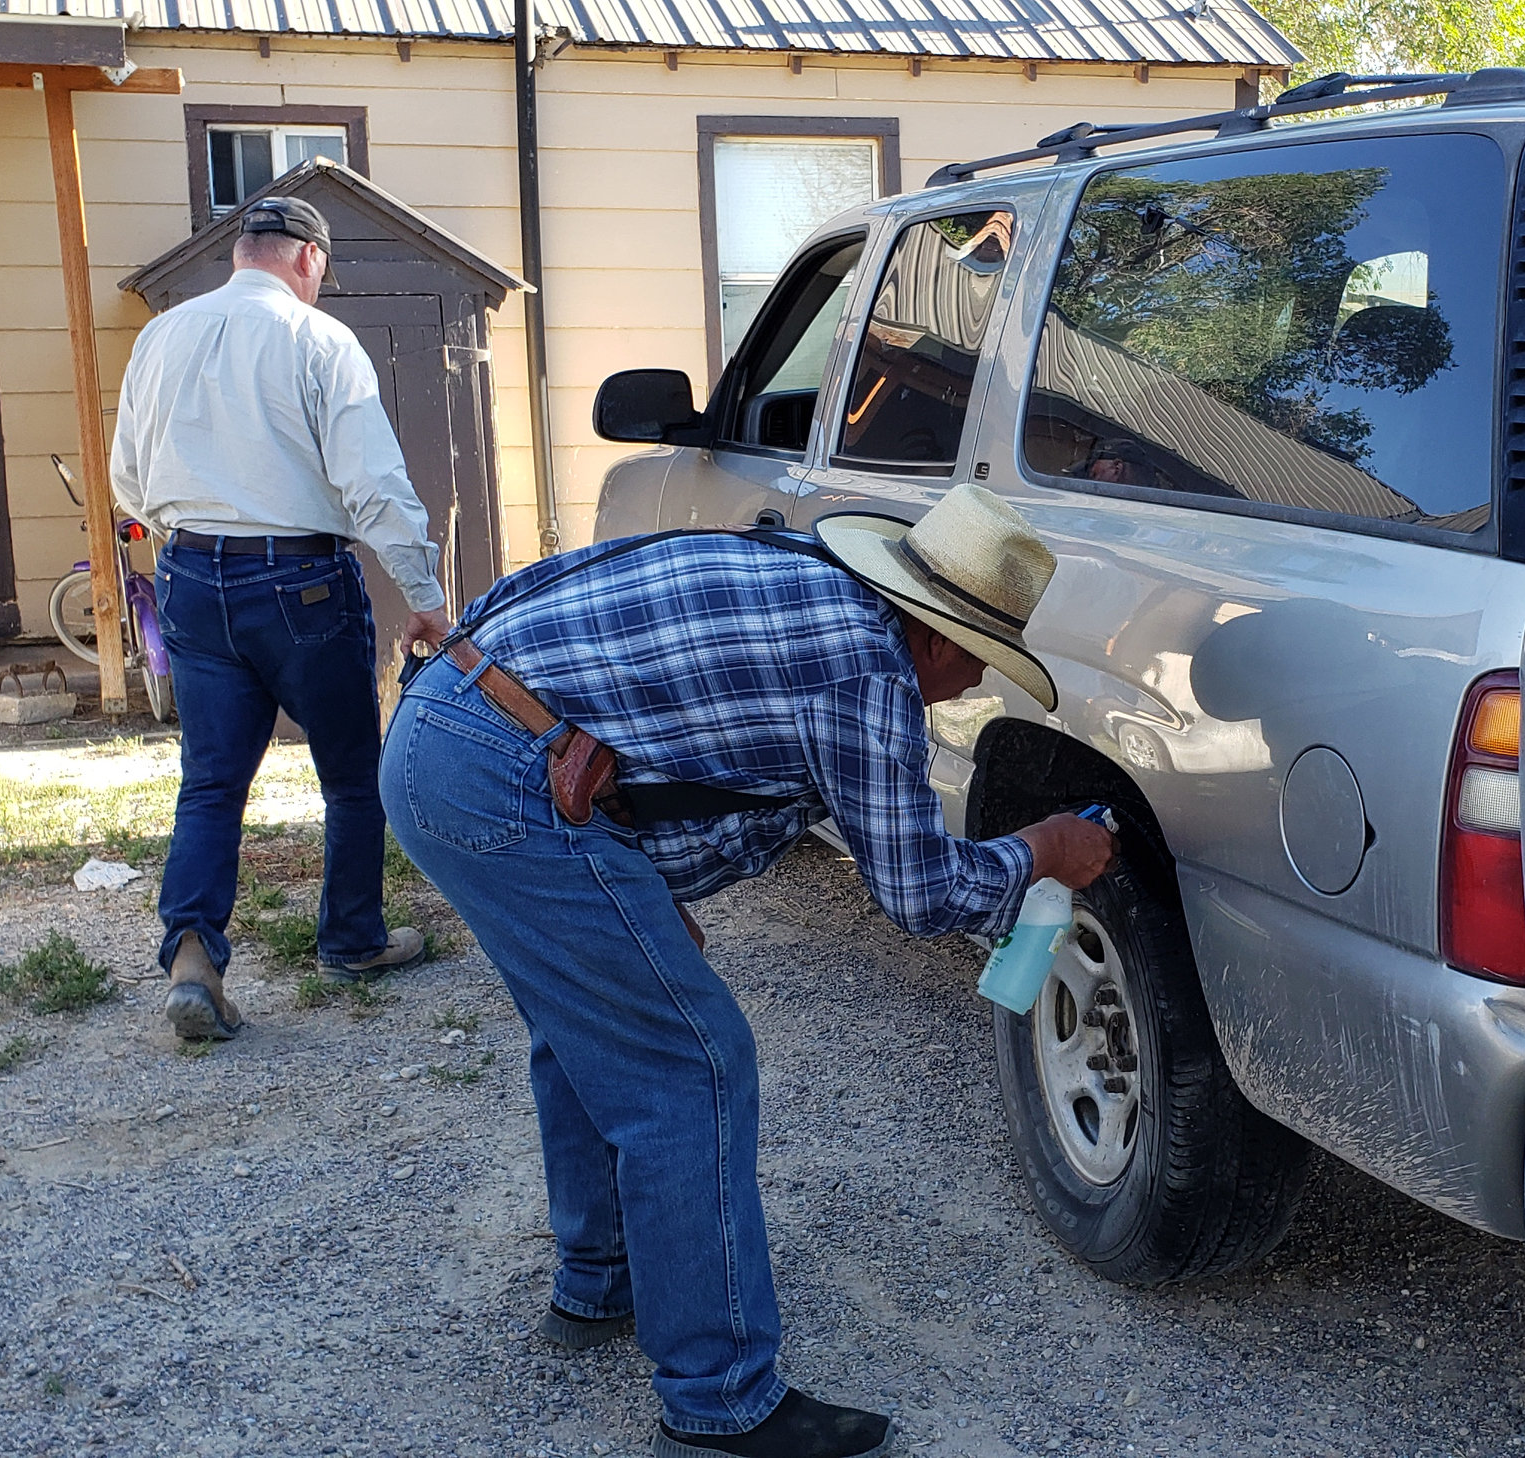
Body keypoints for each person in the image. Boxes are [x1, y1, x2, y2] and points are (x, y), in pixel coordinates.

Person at [380, 484, 1116, 1458]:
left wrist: (634, 888)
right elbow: (919, 892)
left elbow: (662, 728)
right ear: (935, 636)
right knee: (694, 1067)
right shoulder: (867, 667)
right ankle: (720, 1404)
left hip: (454, 727)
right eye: (978, 657)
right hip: (508, 769)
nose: (975, 683)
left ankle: (602, 1280)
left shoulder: (800, 578)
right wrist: (1046, 850)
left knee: (595, 1024)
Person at [110, 195, 453, 1041]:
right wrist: (425, 595)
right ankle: (352, 937)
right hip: (298, 580)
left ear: (242, 254)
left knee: (213, 779)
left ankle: (192, 953)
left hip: (190, 572)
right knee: (348, 773)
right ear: (309, 260)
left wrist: (189, 541)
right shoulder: (318, 340)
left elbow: (127, 474)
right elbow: (371, 482)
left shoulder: (161, 335)